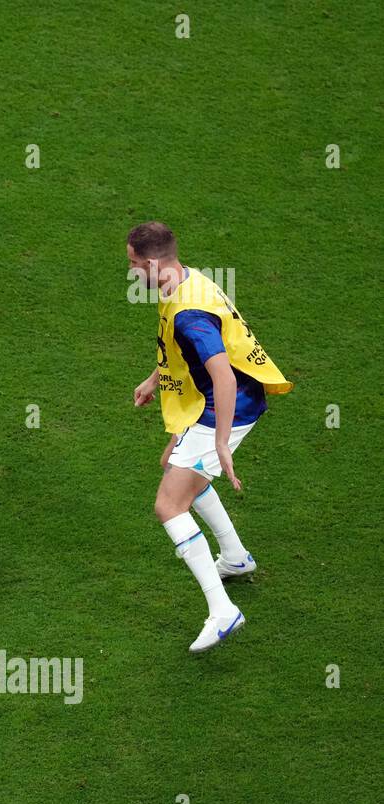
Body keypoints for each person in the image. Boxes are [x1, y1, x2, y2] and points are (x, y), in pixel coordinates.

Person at [127, 221, 293, 653]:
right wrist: (155, 379)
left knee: (169, 504)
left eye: (132, 264)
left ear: (150, 262)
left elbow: (219, 371)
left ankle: (223, 610)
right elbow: (177, 349)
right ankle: (235, 558)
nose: (130, 272)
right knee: (173, 465)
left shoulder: (189, 313)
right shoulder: (183, 280)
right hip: (220, 399)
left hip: (225, 405)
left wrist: (219, 441)